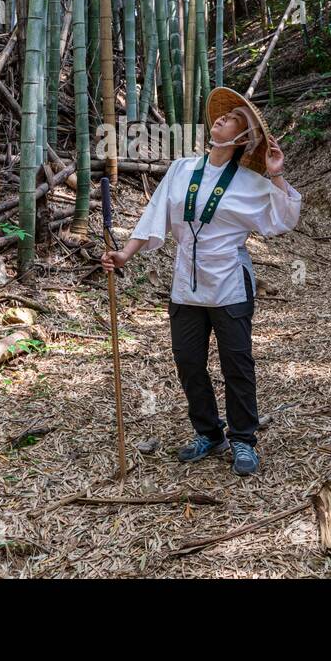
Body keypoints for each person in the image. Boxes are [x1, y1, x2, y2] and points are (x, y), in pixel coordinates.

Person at [100, 87, 302, 476]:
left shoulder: (249, 182)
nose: (223, 119)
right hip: (186, 285)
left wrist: (276, 175)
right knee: (188, 362)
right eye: (224, 116)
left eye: (235, 120)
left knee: (236, 364)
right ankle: (209, 432)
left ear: (243, 139)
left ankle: (243, 439)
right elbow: (155, 214)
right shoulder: (182, 170)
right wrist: (125, 253)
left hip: (229, 283)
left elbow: (284, 218)